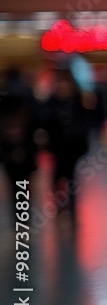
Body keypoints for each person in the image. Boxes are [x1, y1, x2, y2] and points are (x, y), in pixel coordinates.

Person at [41, 68, 90, 219]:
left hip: (73, 146)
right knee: (57, 175)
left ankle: (71, 204)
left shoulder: (77, 101)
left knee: (71, 175)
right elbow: (45, 122)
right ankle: (58, 203)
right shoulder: (51, 103)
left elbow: (84, 122)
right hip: (57, 146)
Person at [0, 69, 39, 188]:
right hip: (17, 148)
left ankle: (21, 204)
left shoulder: (9, 99)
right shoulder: (26, 97)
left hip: (16, 148)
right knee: (22, 183)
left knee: (18, 183)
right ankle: (22, 204)